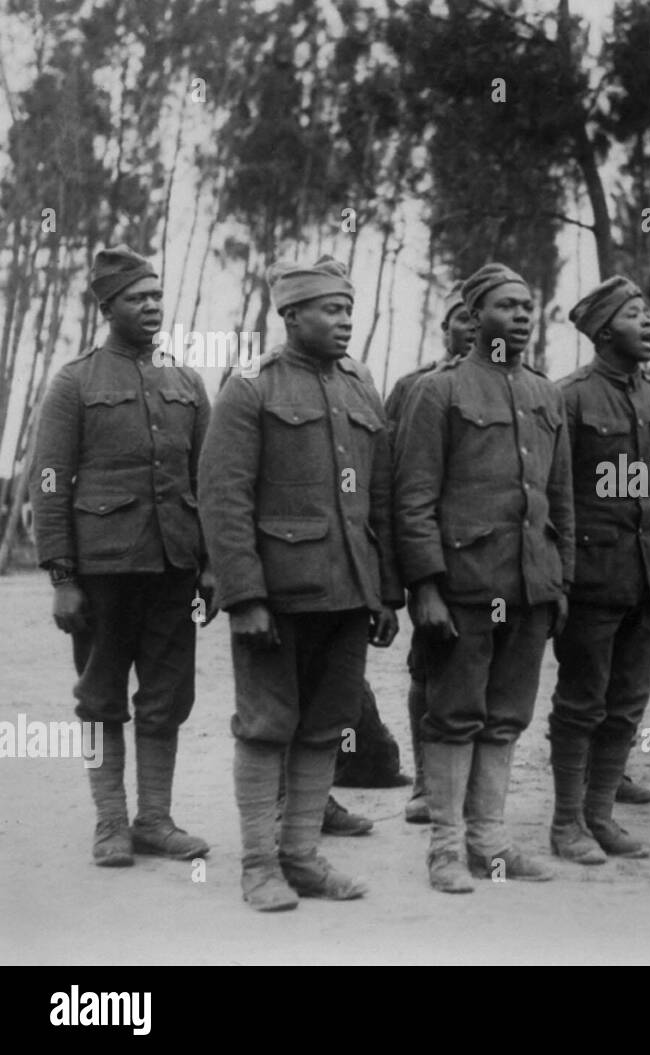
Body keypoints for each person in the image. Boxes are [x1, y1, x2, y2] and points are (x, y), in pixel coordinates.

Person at [199, 255, 402, 911]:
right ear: (290, 315)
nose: (345, 320)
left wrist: (386, 590)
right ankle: (259, 865)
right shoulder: (251, 384)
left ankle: (303, 856)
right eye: (330, 309)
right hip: (278, 598)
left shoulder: (361, 384)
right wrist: (245, 596)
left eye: (348, 308)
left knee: (323, 727)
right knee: (265, 726)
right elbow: (223, 498)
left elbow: (381, 496)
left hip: (348, 593)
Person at [30, 245, 213, 868]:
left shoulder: (186, 381)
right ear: (107, 307)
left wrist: (211, 565)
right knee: (101, 696)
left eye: (157, 295)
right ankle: (110, 822)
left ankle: (154, 821)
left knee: (166, 697)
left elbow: (208, 481)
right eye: (138, 297)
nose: (152, 305)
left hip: (172, 568)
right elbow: (49, 479)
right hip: (103, 570)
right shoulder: (74, 381)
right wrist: (61, 575)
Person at [395, 262, 574, 892]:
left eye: (528, 305)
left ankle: (490, 842)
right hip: (466, 587)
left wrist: (561, 582)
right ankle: (446, 849)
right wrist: (425, 588)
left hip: (528, 587)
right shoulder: (438, 392)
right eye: (506, 305)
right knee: (453, 715)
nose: (521, 315)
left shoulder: (546, 394)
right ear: (475, 317)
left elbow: (561, 499)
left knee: (506, 716)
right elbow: (412, 500)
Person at [547, 276, 650, 864]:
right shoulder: (567, 397)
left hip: (647, 577)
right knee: (581, 701)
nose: (647, 323)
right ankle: (566, 822)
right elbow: (555, 496)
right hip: (591, 579)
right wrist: (562, 578)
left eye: (648, 313)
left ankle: (600, 813)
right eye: (632, 314)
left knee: (627, 702)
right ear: (603, 331)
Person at [384, 281, 475, 824]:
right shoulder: (414, 387)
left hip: (491, 560)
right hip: (434, 556)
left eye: (475, 317)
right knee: (428, 667)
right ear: (445, 330)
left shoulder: (516, 388)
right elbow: (395, 477)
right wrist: (412, 570)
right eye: (459, 319)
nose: (469, 327)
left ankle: (466, 789)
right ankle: (424, 783)